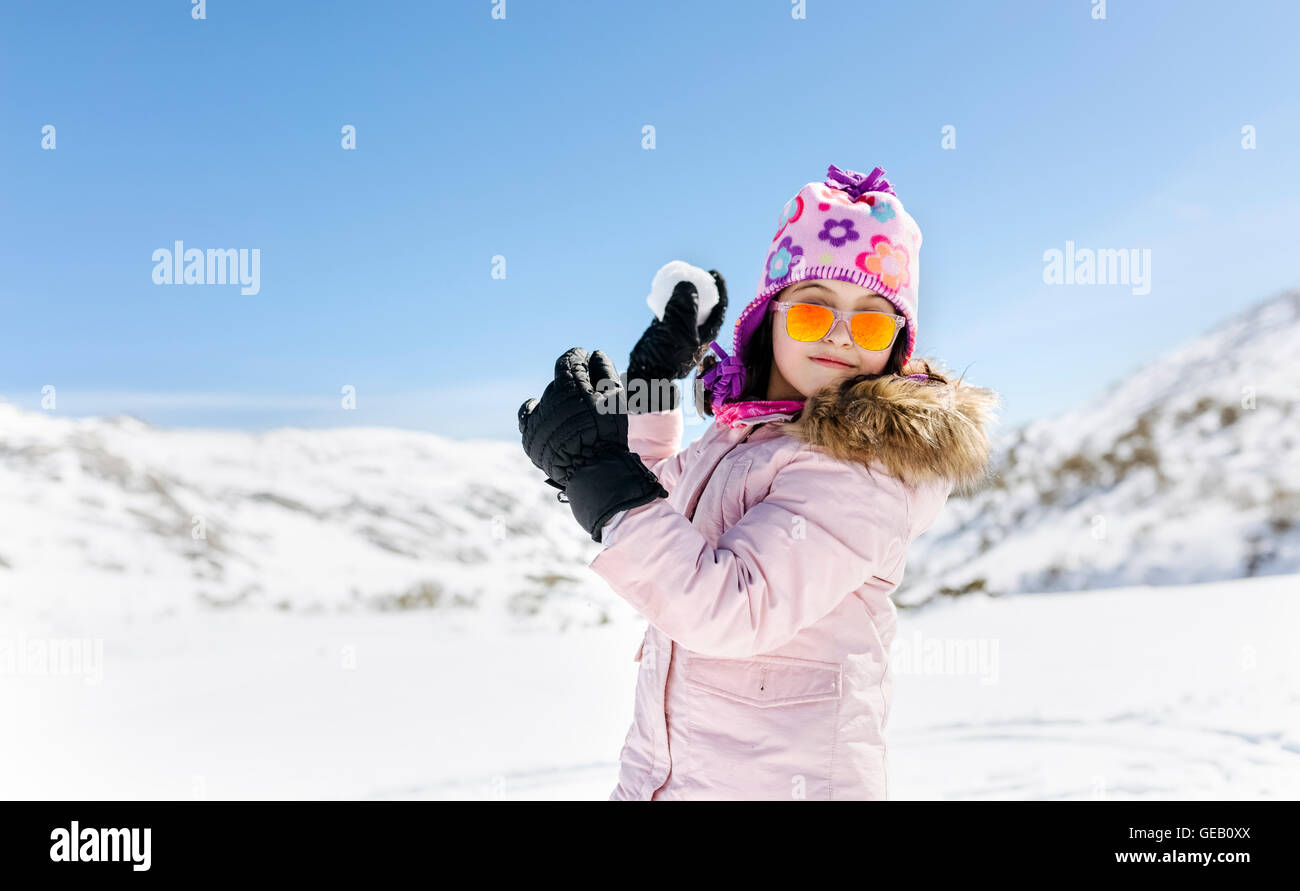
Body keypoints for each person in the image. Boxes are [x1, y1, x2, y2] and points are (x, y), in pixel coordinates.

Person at [518, 164, 1001, 800]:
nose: (838, 335)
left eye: (873, 321)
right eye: (811, 312)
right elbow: (663, 521)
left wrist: (599, 477)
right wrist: (653, 382)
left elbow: (728, 609)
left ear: (896, 346)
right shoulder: (744, 437)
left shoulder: (864, 469)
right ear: (768, 318)